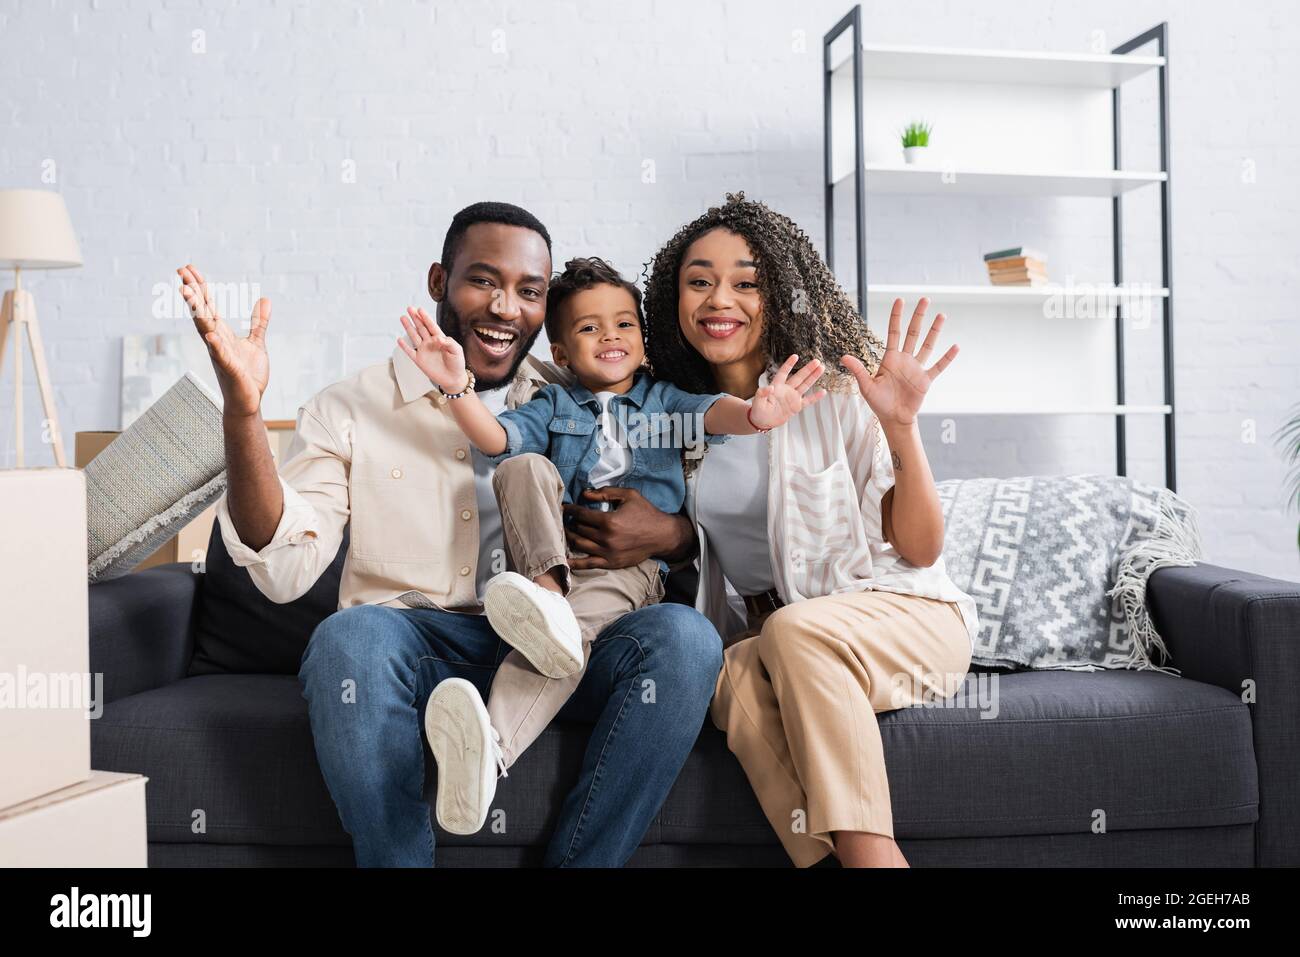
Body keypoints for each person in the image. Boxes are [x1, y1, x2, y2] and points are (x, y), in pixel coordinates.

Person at [176, 201, 724, 867]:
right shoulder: (349, 406)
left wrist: (674, 535)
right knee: (347, 637)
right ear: (440, 281)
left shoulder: (575, 390)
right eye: (482, 281)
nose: (504, 307)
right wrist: (245, 409)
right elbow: (280, 566)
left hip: (571, 640)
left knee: (687, 640)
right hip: (424, 641)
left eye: (529, 291)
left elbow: (704, 493)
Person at [397, 256, 825, 833]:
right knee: (522, 466)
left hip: (629, 572)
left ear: (644, 343)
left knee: (563, 639)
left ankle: (491, 749)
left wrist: (754, 413)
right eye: (589, 328)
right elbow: (497, 439)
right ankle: (545, 599)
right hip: (558, 561)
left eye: (624, 324)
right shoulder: (553, 404)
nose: (610, 337)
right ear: (562, 353)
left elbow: (713, 415)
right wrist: (456, 388)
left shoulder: (664, 402)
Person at [641, 192, 980, 868]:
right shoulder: (683, 423)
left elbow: (918, 547)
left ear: (782, 292)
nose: (719, 299)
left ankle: (874, 859)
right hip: (781, 640)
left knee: (793, 631)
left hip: (907, 617)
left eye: (746, 282)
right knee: (728, 673)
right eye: (699, 280)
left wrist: (902, 428)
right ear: (673, 300)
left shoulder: (838, 396)